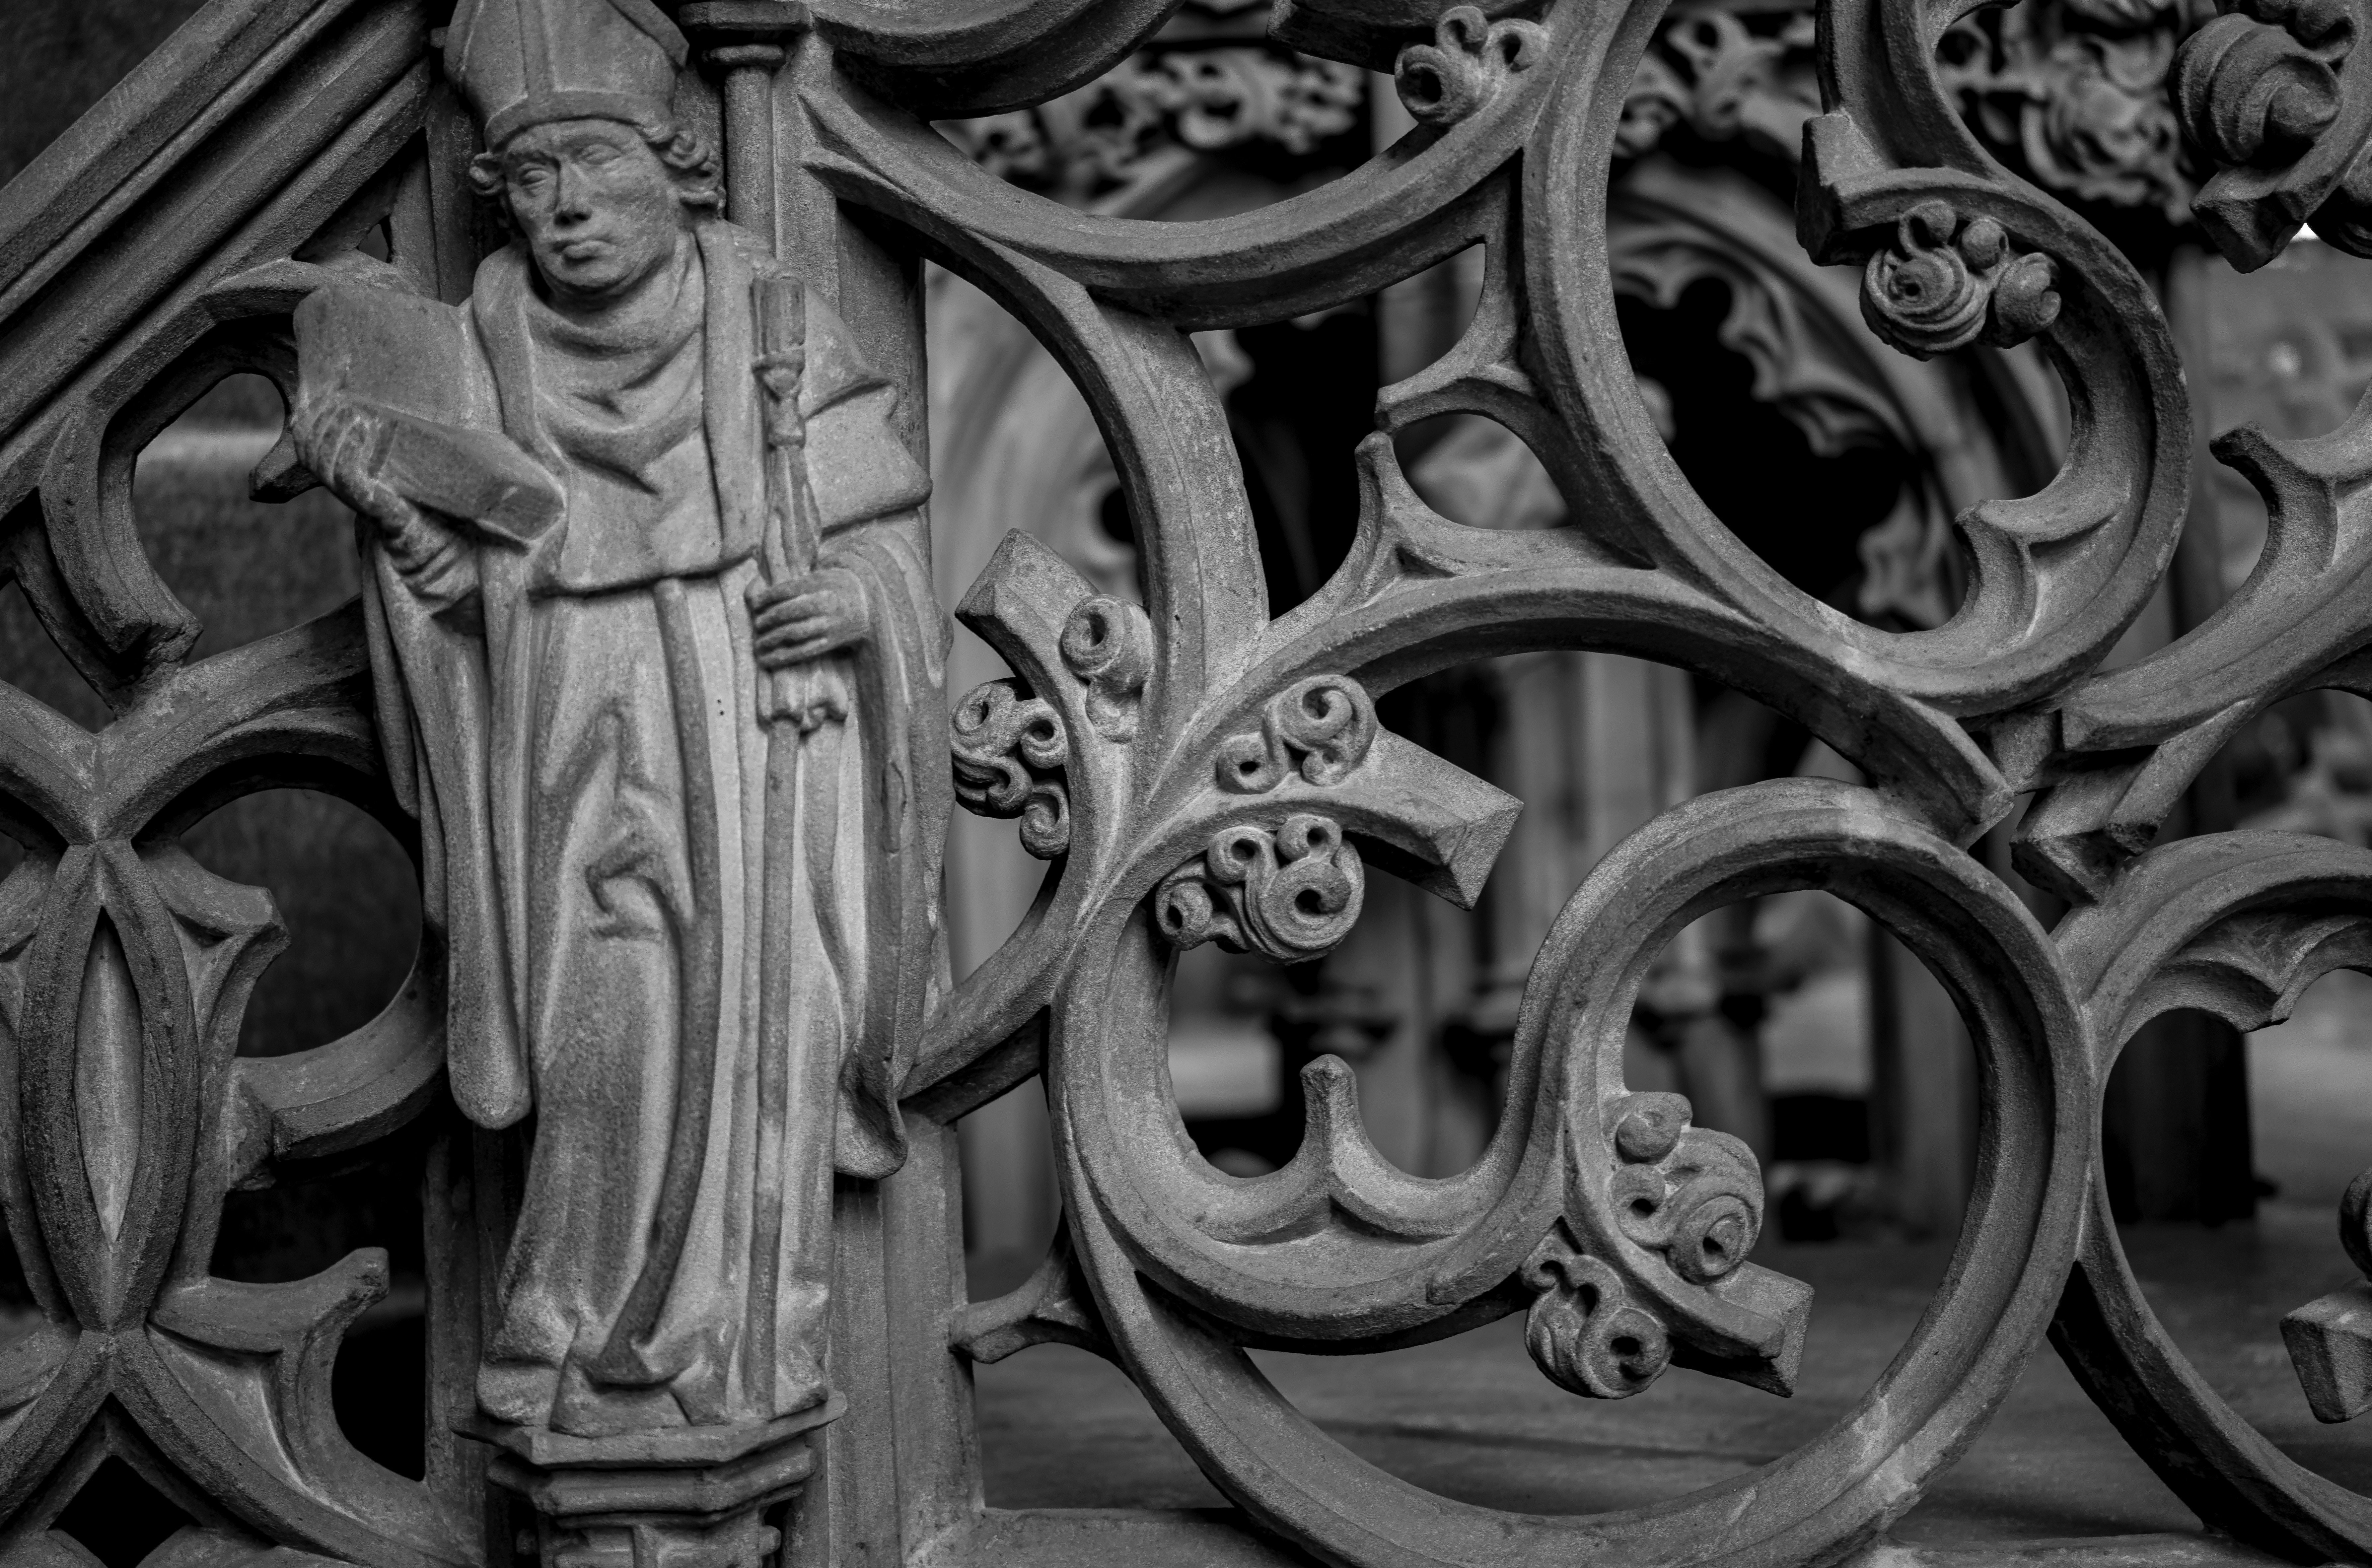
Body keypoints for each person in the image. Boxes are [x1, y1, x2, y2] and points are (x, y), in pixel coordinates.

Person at [292, 0, 945, 1436]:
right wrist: (396, 517)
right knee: (608, 1021)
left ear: (675, 158)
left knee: (757, 1015)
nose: (569, 205)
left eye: (595, 160)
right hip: (567, 727)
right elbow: (463, 595)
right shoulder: (485, 346)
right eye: (529, 178)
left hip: (755, 732)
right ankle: (576, 1318)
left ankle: (729, 1337)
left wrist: (855, 607)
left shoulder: (770, 316)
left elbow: (890, 547)